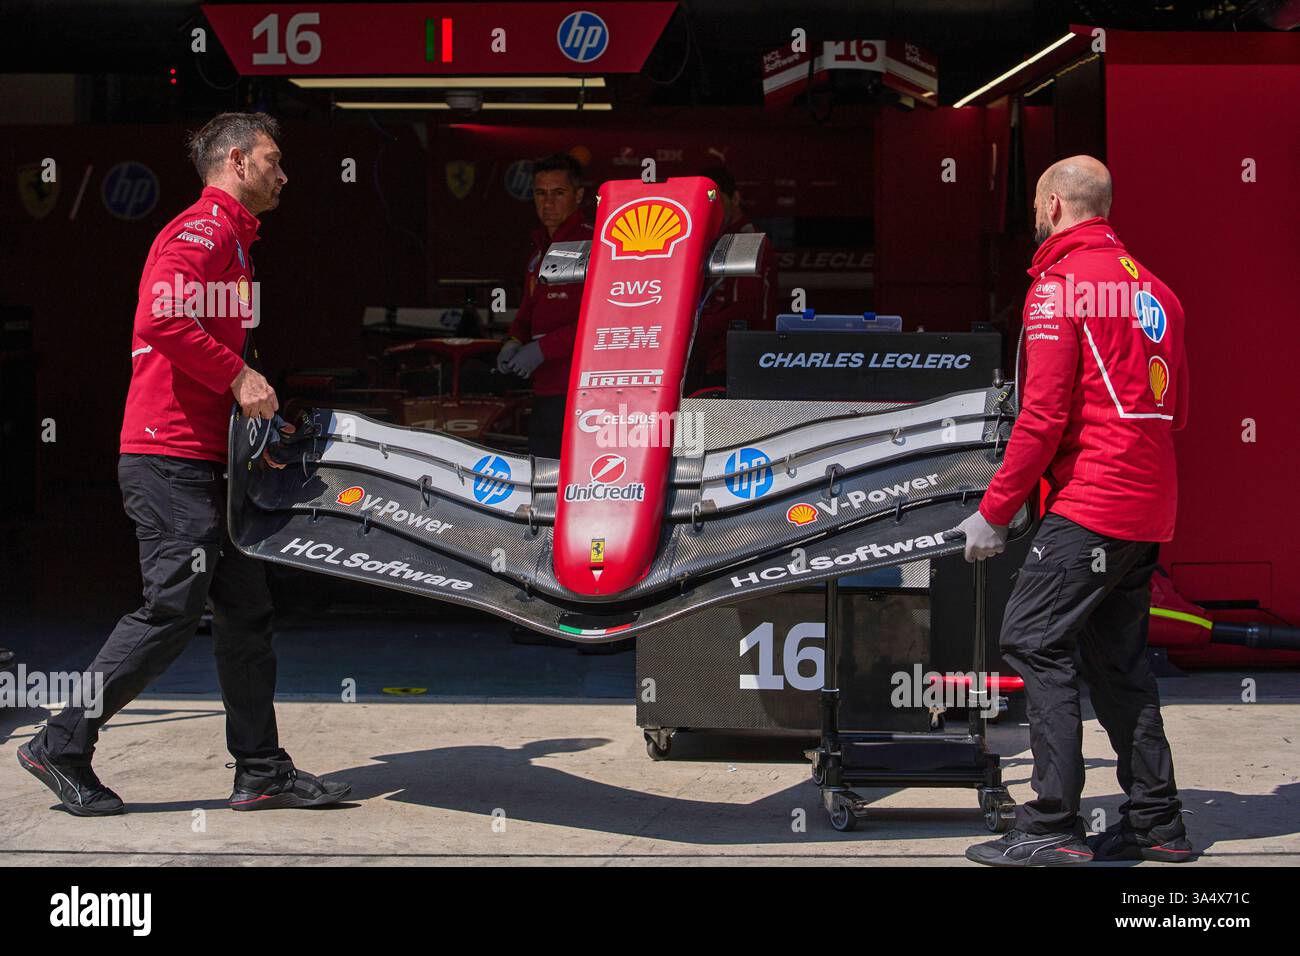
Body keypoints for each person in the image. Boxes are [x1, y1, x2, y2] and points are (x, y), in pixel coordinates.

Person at [17, 112, 349, 815]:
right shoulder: (201, 230)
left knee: (247, 613)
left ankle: (259, 767)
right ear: (234, 161)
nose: (283, 175)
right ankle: (61, 743)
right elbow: (158, 321)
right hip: (168, 460)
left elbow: (201, 333)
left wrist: (255, 400)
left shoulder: (232, 239)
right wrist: (237, 378)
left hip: (208, 461)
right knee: (172, 609)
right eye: (272, 161)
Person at [959, 156, 1192, 866]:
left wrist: (994, 511)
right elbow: (1176, 412)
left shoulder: (1061, 287)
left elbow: (1043, 416)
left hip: (1094, 498)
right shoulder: (1158, 293)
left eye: (1035, 204)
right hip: (1149, 504)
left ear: (1055, 205)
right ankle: (1158, 824)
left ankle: (1053, 824)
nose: (1034, 216)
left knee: (1034, 640)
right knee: (1119, 664)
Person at [496, 153, 593, 458]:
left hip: (582, 391)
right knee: (543, 479)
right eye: (540, 193)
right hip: (544, 389)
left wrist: (543, 349)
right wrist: (513, 341)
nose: (547, 203)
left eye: (558, 193)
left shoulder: (595, 247)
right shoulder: (539, 252)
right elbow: (527, 314)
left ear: (578, 195)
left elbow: (601, 321)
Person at [685, 166, 779, 394]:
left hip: (743, 359)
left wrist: (697, 326)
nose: (711, 207)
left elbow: (745, 309)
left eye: (717, 200)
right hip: (713, 358)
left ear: (735, 199)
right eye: (706, 201)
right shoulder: (710, 239)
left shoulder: (748, 239)